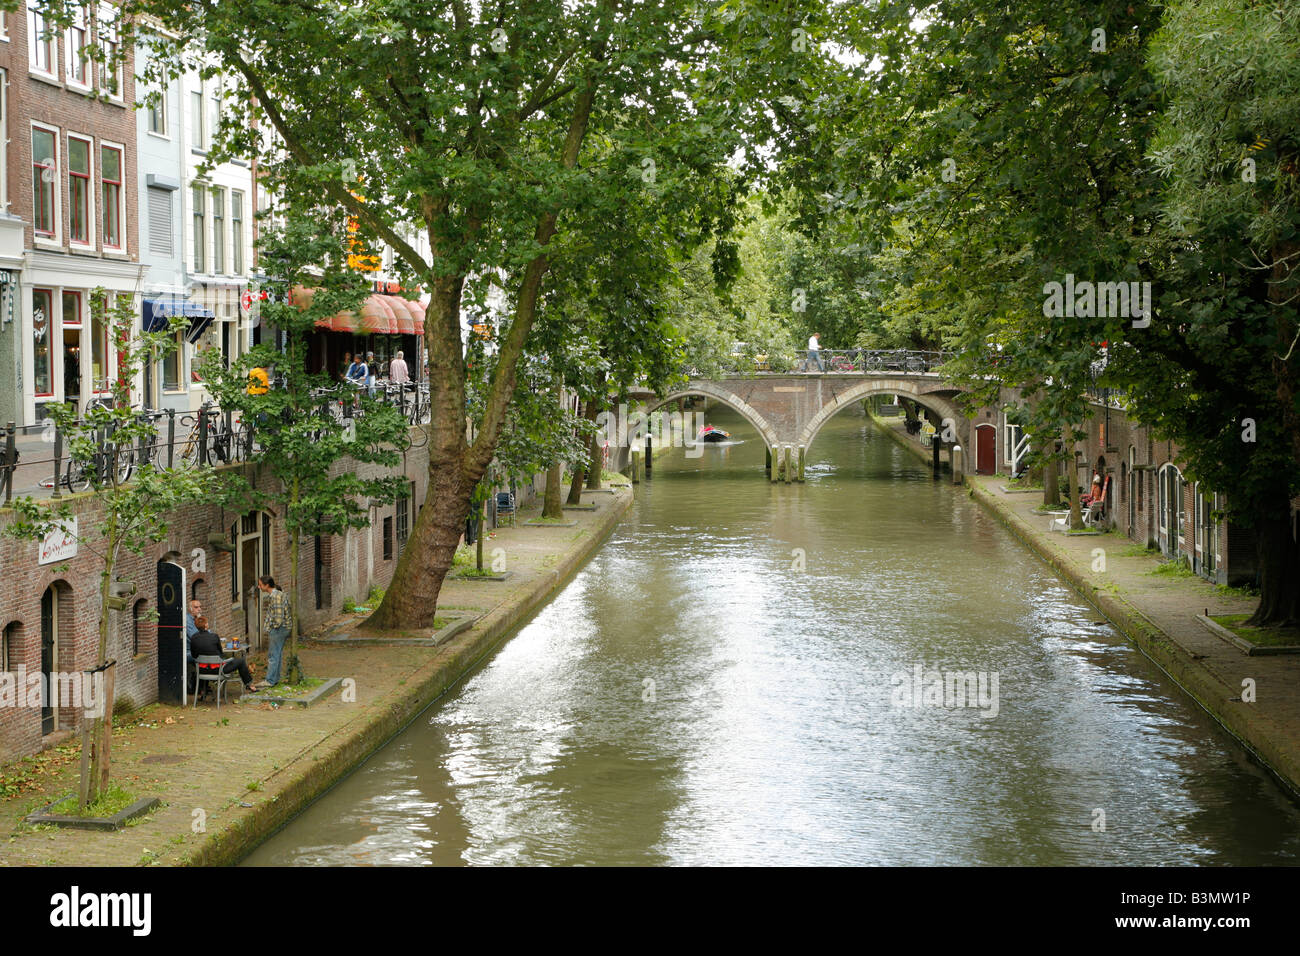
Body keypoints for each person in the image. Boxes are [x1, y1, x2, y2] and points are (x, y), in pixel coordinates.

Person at [189, 616, 261, 694]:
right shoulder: (214, 636)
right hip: (218, 670)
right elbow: (221, 654)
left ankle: (202, 690)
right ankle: (250, 685)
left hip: (202, 670)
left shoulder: (193, 638)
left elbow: (194, 655)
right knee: (241, 661)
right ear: (206, 625)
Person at [258, 575, 292, 687]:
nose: (259, 587)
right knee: (277, 653)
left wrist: (272, 627)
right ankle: (275, 678)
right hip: (283, 628)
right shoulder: (278, 594)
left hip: (279, 629)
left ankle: (270, 680)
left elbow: (278, 618)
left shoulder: (275, 597)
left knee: (273, 654)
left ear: (267, 585)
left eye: (260, 585)